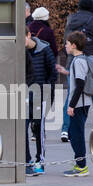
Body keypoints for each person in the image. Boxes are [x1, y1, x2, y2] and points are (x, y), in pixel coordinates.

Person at [64, 0, 93, 135]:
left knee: (71, 96)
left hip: (73, 61)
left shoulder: (71, 20)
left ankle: (66, 130)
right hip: (91, 63)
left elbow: (66, 41)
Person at [24, 27, 56, 176]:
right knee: (23, 129)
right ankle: (27, 161)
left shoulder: (44, 50)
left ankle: (40, 161)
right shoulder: (20, 52)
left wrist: (46, 94)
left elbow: (53, 74)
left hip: (40, 95)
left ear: (29, 35)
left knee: (38, 130)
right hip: (25, 96)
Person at [62, 31, 92, 176]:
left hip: (79, 104)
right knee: (74, 134)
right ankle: (79, 162)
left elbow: (80, 85)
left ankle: (81, 166)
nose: (65, 46)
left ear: (74, 45)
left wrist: (71, 105)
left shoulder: (79, 61)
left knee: (76, 135)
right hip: (81, 103)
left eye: (67, 44)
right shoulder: (80, 60)